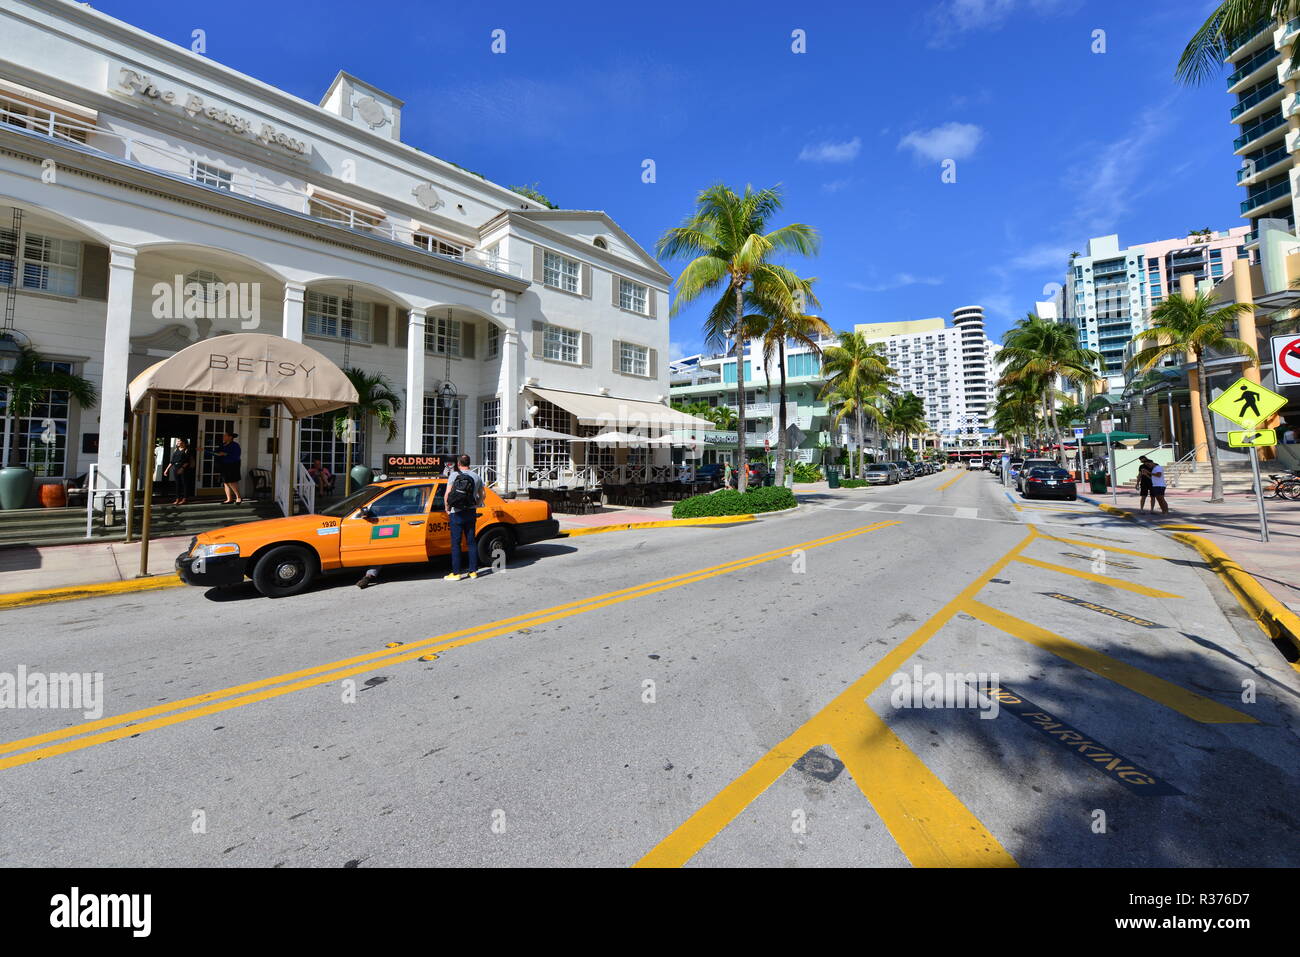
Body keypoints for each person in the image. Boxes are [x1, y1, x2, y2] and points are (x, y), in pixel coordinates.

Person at [445, 453, 485, 581]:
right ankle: (473, 572)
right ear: (469, 463)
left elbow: (447, 495)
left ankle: (456, 573)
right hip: (470, 512)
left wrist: (447, 508)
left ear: (458, 463)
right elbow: (483, 495)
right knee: (471, 542)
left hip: (456, 512)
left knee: (456, 543)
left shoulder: (454, 475)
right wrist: (476, 504)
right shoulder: (476, 476)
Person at [212, 432, 244, 503]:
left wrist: (225, 454)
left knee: (232, 482)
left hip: (233, 465)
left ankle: (238, 497)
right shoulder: (222, 445)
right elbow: (216, 452)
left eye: (225, 436)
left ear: (230, 437)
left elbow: (236, 455)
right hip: (223, 465)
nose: (223, 437)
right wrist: (216, 453)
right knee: (225, 482)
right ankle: (229, 499)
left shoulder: (235, 445)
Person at [163, 438, 193, 505]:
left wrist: (182, 468)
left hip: (184, 469)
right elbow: (172, 461)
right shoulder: (176, 450)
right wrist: (167, 469)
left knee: (184, 484)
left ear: (184, 442)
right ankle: (177, 499)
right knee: (177, 484)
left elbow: (187, 461)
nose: (178, 442)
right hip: (176, 468)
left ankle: (184, 499)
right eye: (177, 441)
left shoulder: (186, 450)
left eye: (179, 441)